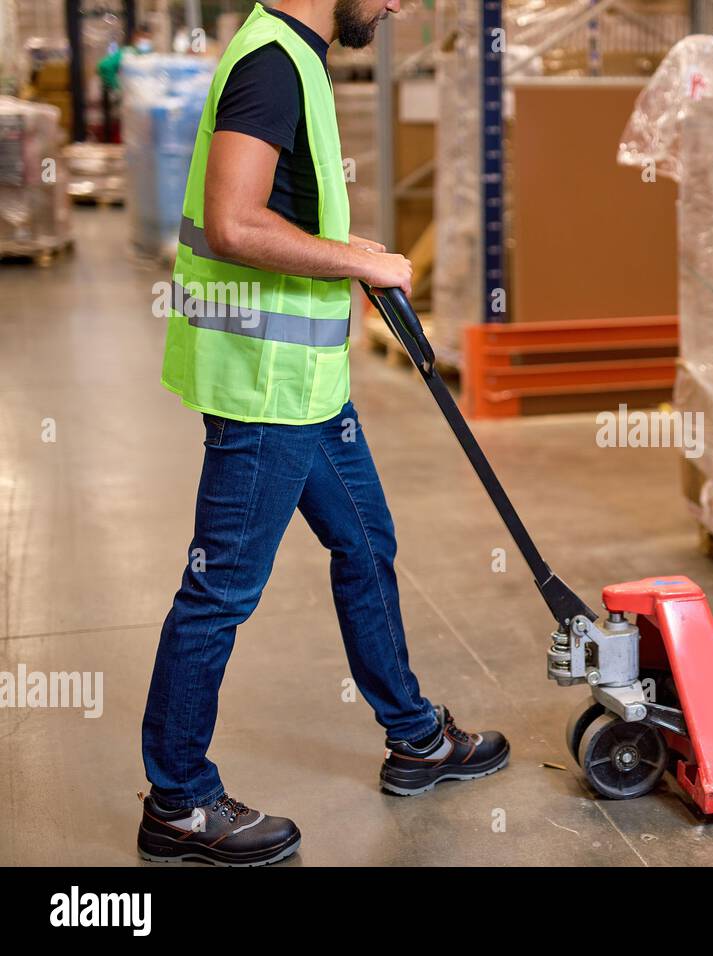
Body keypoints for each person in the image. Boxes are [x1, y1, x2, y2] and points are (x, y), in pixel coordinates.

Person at [138, 0, 508, 868]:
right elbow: (233, 222)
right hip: (265, 393)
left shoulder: (295, 54)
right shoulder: (271, 65)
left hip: (307, 385)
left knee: (366, 542)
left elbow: (278, 208)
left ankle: (415, 738)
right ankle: (179, 802)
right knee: (220, 592)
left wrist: (344, 243)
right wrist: (359, 263)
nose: (397, 5)